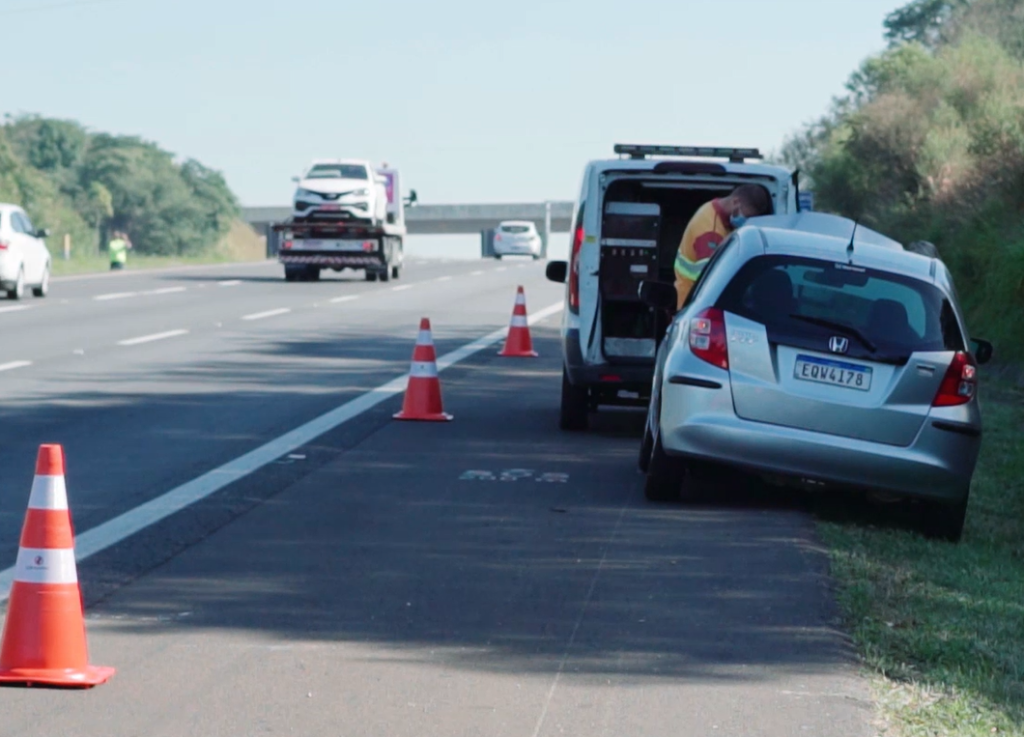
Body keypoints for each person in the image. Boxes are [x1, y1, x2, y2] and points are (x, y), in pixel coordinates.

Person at [674, 184, 772, 310]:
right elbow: (712, 281)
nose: (746, 222)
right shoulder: (711, 231)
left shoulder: (712, 210)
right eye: (746, 216)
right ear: (736, 202)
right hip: (694, 305)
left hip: (691, 301)